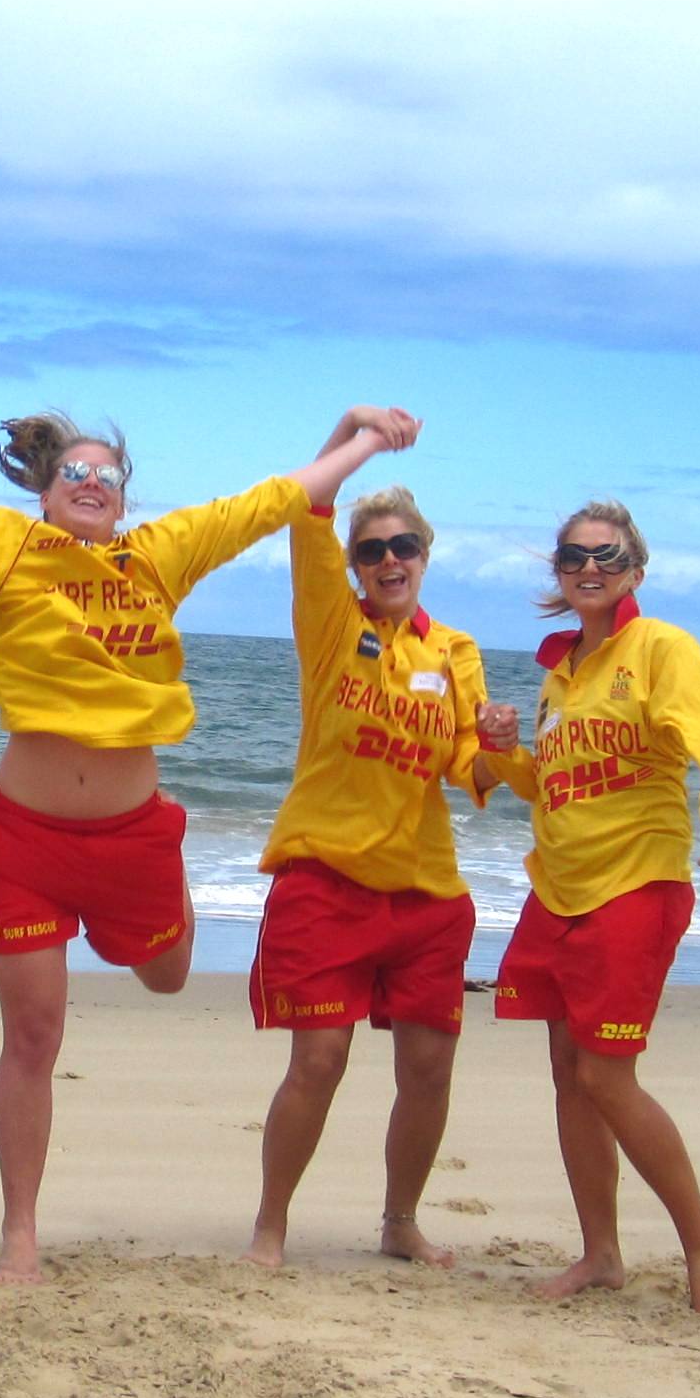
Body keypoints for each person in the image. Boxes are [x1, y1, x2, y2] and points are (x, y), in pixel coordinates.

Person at [0, 407, 410, 1283]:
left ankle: (161, 920)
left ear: (122, 499)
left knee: (167, 977)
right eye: (74, 475)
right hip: (24, 840)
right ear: (47, 492)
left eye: (106, 476)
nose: (90, 484)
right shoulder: (4, 549)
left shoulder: (159, 556)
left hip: (132, 841)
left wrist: (359, 440)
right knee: (33, 1035)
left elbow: (275, 503)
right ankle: (21, 1231)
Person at [242, 431, 507, 1271]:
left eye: (405, 546)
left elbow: (471, 766)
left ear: (426, 554)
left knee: (428, 1070)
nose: (390, 560)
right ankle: (271, 1227)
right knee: (319, 1059)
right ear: (354, 564)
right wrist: (345, 440)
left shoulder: (454, 651)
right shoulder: (331, 625)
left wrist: (501, 746)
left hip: (426, 895)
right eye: (372, 551)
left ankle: (400, 1222)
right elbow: (305, 508)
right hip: (324, 879)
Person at [487, 500, 700, 1314]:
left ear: (636, 568)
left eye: (607, 557)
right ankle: (600, 1254)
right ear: (558, 575)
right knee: (570, 1075)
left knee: (607, 1073)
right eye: (574, 558)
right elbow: (554, 785)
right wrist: (506, 756)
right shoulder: (561, 671)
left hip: (635, 886)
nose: (590, 569)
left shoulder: (662, 648)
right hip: (559, 888)